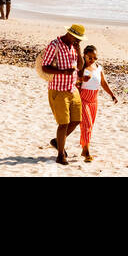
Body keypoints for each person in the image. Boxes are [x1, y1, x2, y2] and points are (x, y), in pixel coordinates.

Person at [41, 24, 85, 165]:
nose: (77, 41)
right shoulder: (55, 45)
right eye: (76, 38)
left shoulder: (74, 47)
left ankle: (57, 141)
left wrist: (79, 50)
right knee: (63, 123)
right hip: (58, 90)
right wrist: (63, 72)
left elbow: (80, 66)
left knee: (77, 120)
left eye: (79, 40)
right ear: (70, 34)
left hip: (73, 89)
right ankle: (60, 155)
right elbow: (44, 66)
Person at [76, 45, 118, 163]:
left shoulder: (99, 67)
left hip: (94, 101)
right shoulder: (81, 68)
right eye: (90, 57)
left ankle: (84, 147)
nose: (92, 60)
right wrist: (81, 80)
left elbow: (103, 83)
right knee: (87, 125)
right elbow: (74, 81)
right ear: (84, 56)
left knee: (90, 126)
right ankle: (86, 151)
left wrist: (112, 94)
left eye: (95, 58)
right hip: (83, 99)